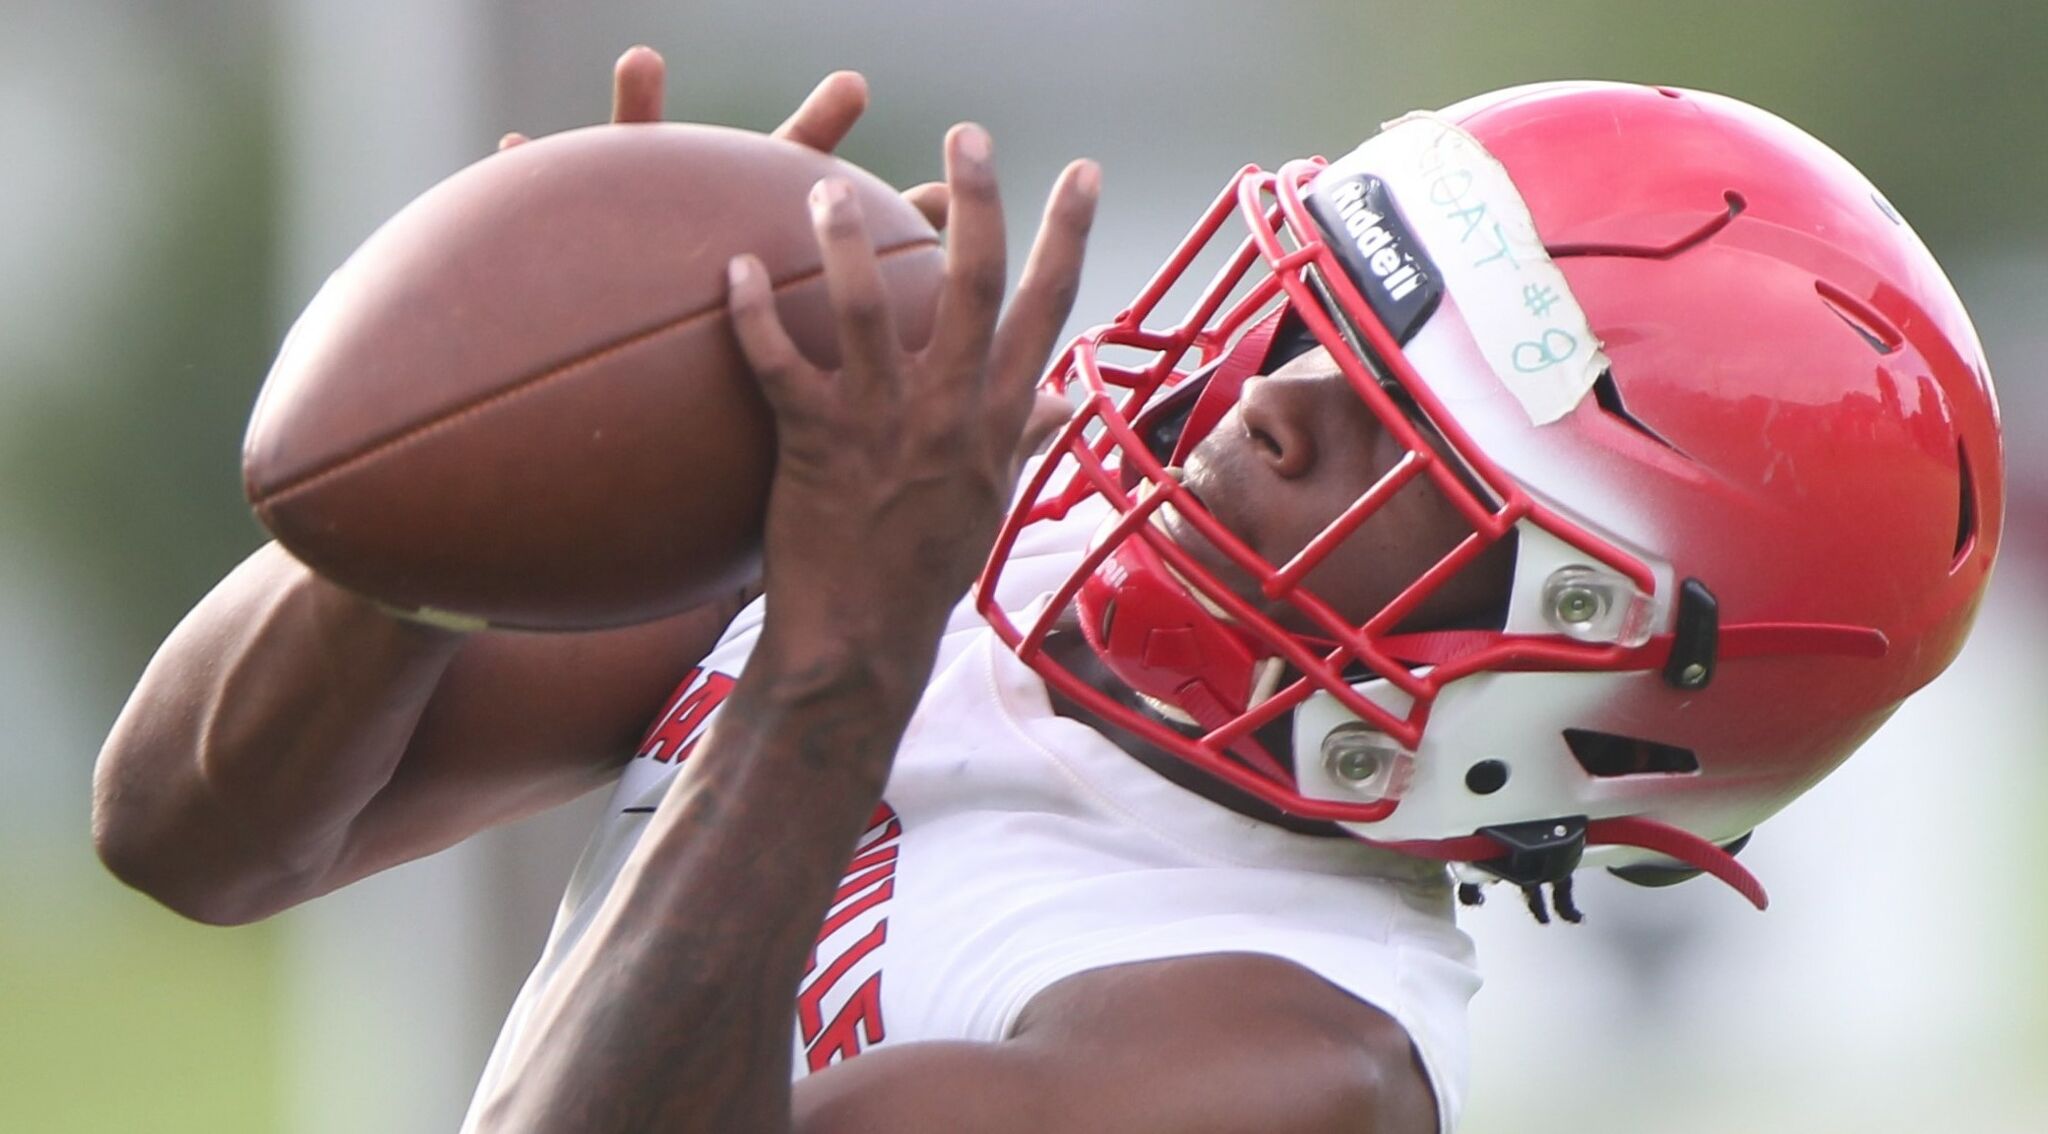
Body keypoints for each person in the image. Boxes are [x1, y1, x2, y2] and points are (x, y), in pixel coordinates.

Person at [91, 47, 2002, 1134]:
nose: (1263, 401)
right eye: (1310, 321)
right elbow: (192, 833)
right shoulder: (1008, 546)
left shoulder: (1278, 1060)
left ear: (1573, 676)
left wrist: (838, 655)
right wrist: (493, 456)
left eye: (1398, 438)